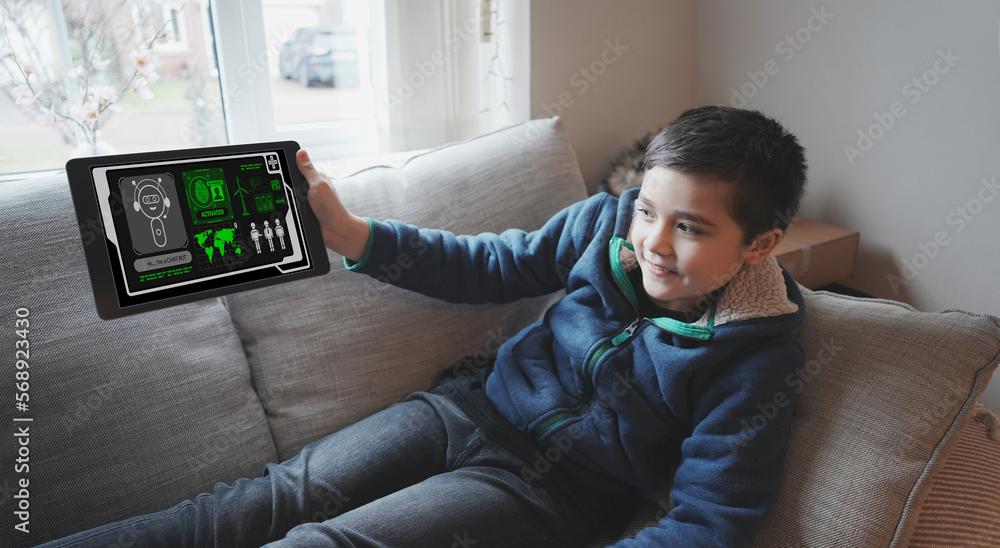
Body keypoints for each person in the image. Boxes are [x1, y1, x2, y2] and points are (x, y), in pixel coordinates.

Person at [41, 105, 808, 547]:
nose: (651, 243)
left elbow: (711, 522)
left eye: (690, 228)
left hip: (548, 494)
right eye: (647, 210)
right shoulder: (603, 225)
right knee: (254, 503)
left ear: (760, 245)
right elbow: (492, 266)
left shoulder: (755, 358)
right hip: (464, 407)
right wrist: (354, 237)